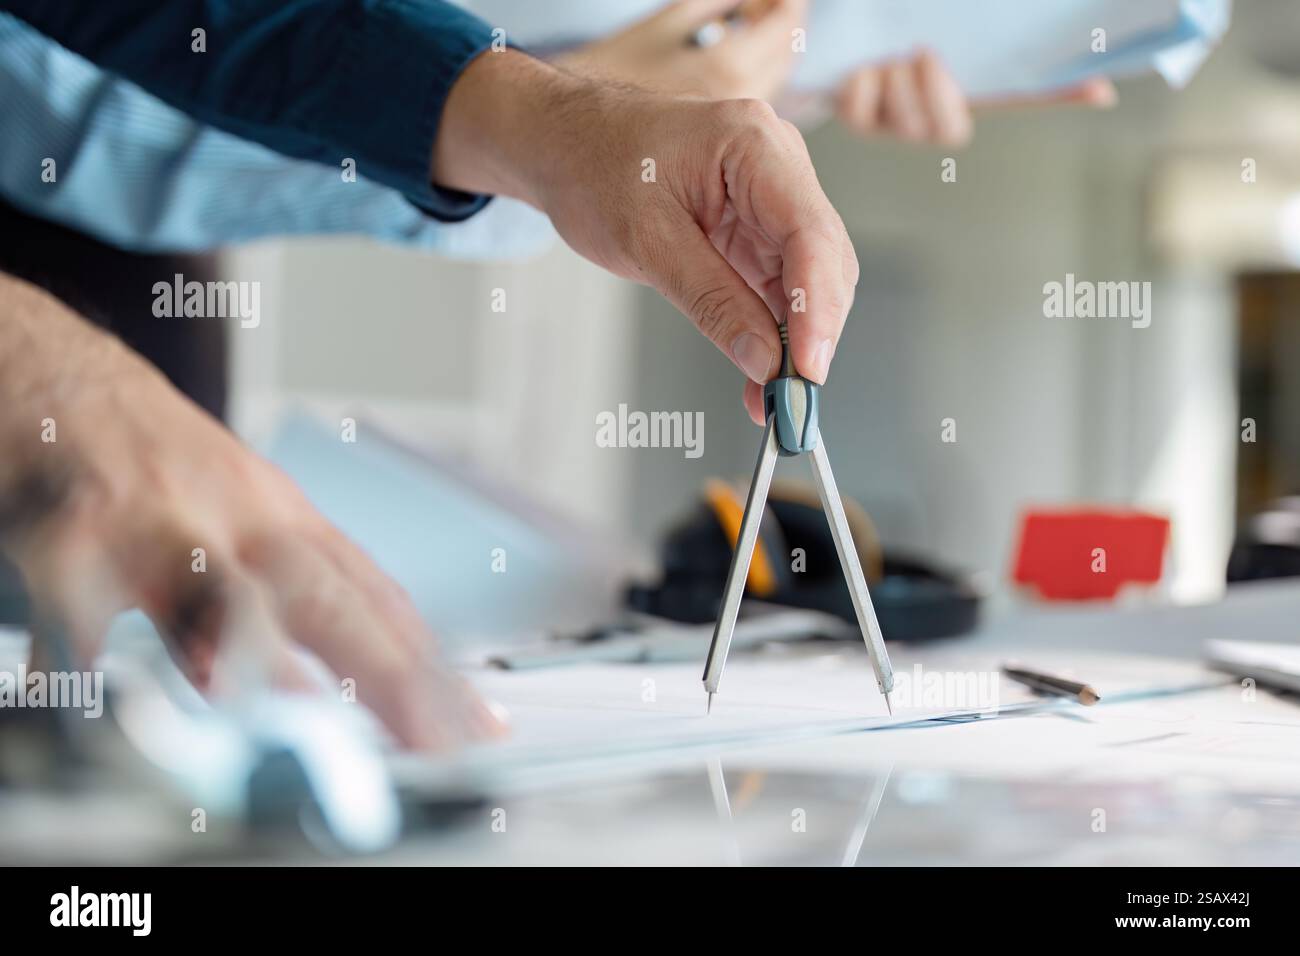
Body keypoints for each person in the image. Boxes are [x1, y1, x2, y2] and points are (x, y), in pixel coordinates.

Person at [0, 0, 1115, 751]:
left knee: (123, 696)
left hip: (108, 248)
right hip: (64, 287)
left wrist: (543, 110)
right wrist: (35, 366)